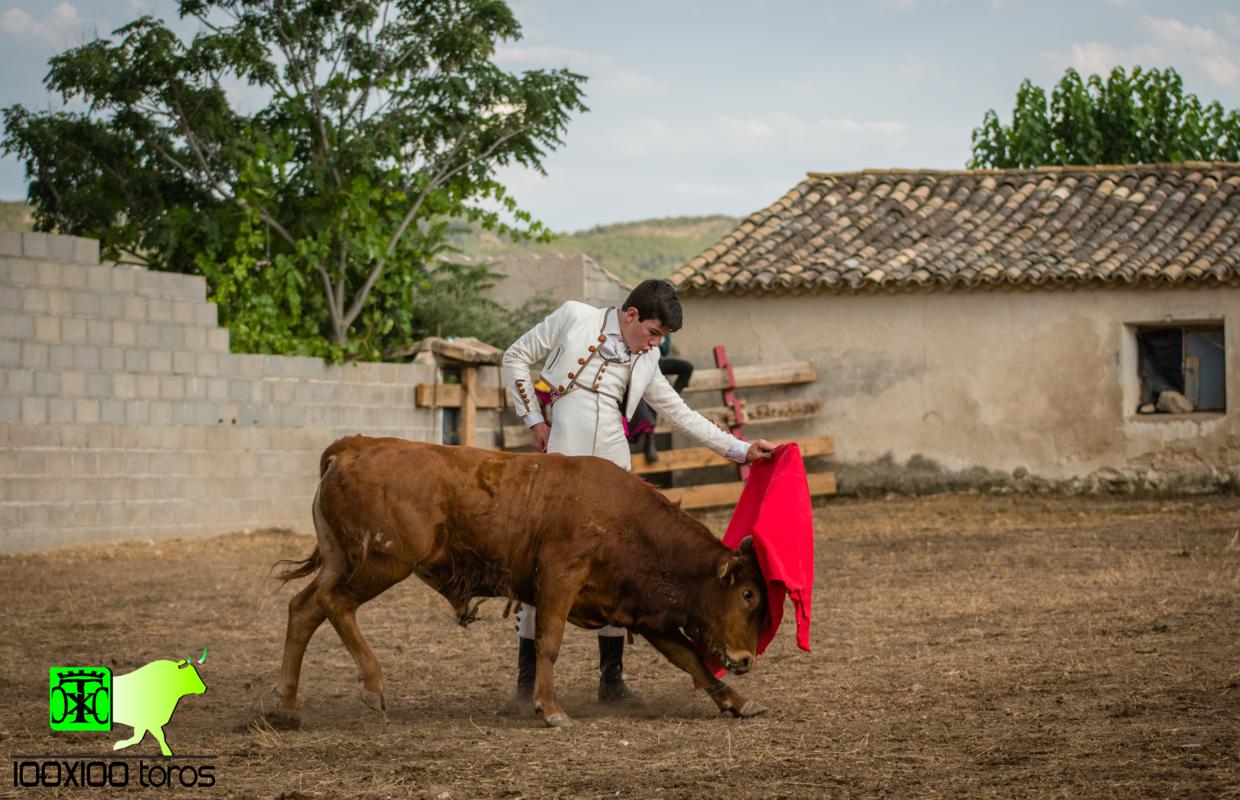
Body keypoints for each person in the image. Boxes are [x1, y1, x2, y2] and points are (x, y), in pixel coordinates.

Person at [500, 279, 775, 712]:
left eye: (661, 338)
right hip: (561, 462)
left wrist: (741, 449)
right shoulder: (575, 316)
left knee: (620, 573)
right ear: (630, 315)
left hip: (614, 467)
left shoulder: (646, 361)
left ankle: (611, 681)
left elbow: (681, 414)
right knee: (545, 567)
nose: (655, 344)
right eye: (653, 333)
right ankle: (527, 681)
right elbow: (514, 356)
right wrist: (534, 419)